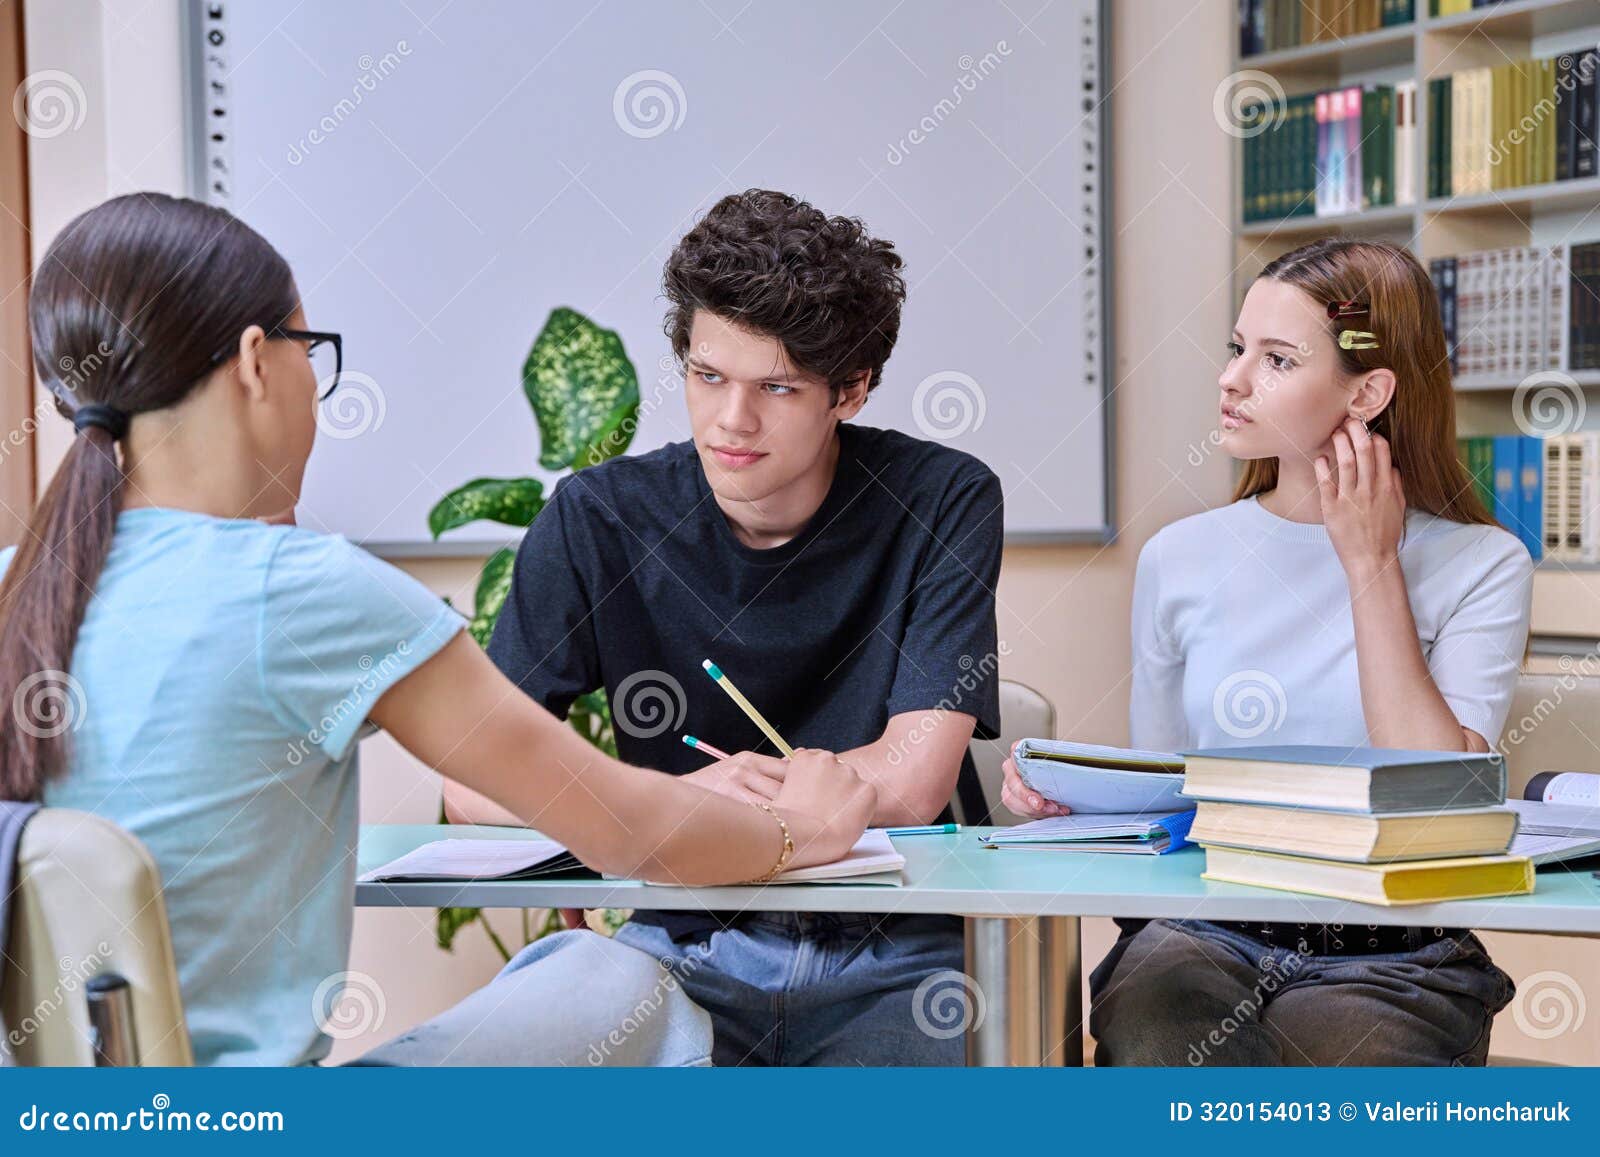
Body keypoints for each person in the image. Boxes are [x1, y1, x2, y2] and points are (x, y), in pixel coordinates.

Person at [0, 192, 876, 1067]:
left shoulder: (18, 580)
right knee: (616, 984)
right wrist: (798, 832)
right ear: (257, 362)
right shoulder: (305, 593)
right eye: (315, 351)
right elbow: (619, 823)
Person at [446, 189, 1006, 1066]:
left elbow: (912, 778)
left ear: (850, 390)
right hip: (682, 942)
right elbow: (473, 787)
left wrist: (684, 806)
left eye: (776, 387)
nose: (730, 421)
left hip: (894, 947)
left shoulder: (941, 499)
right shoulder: (600, 517)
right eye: (708, 377)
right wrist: (692, 803)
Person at [1002, 237, 1530, 1066]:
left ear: (1369, 392)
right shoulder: (1179, 557)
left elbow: (1438, 802)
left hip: (1392, 949)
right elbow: (1168, 792)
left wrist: (1370, 564)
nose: (1232, 379)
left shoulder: (1481, 565)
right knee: (1164, 1038)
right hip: (1203, 927)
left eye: (1277, 359)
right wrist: (1077, 803)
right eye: (1237, 348)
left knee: (1338, 1061)